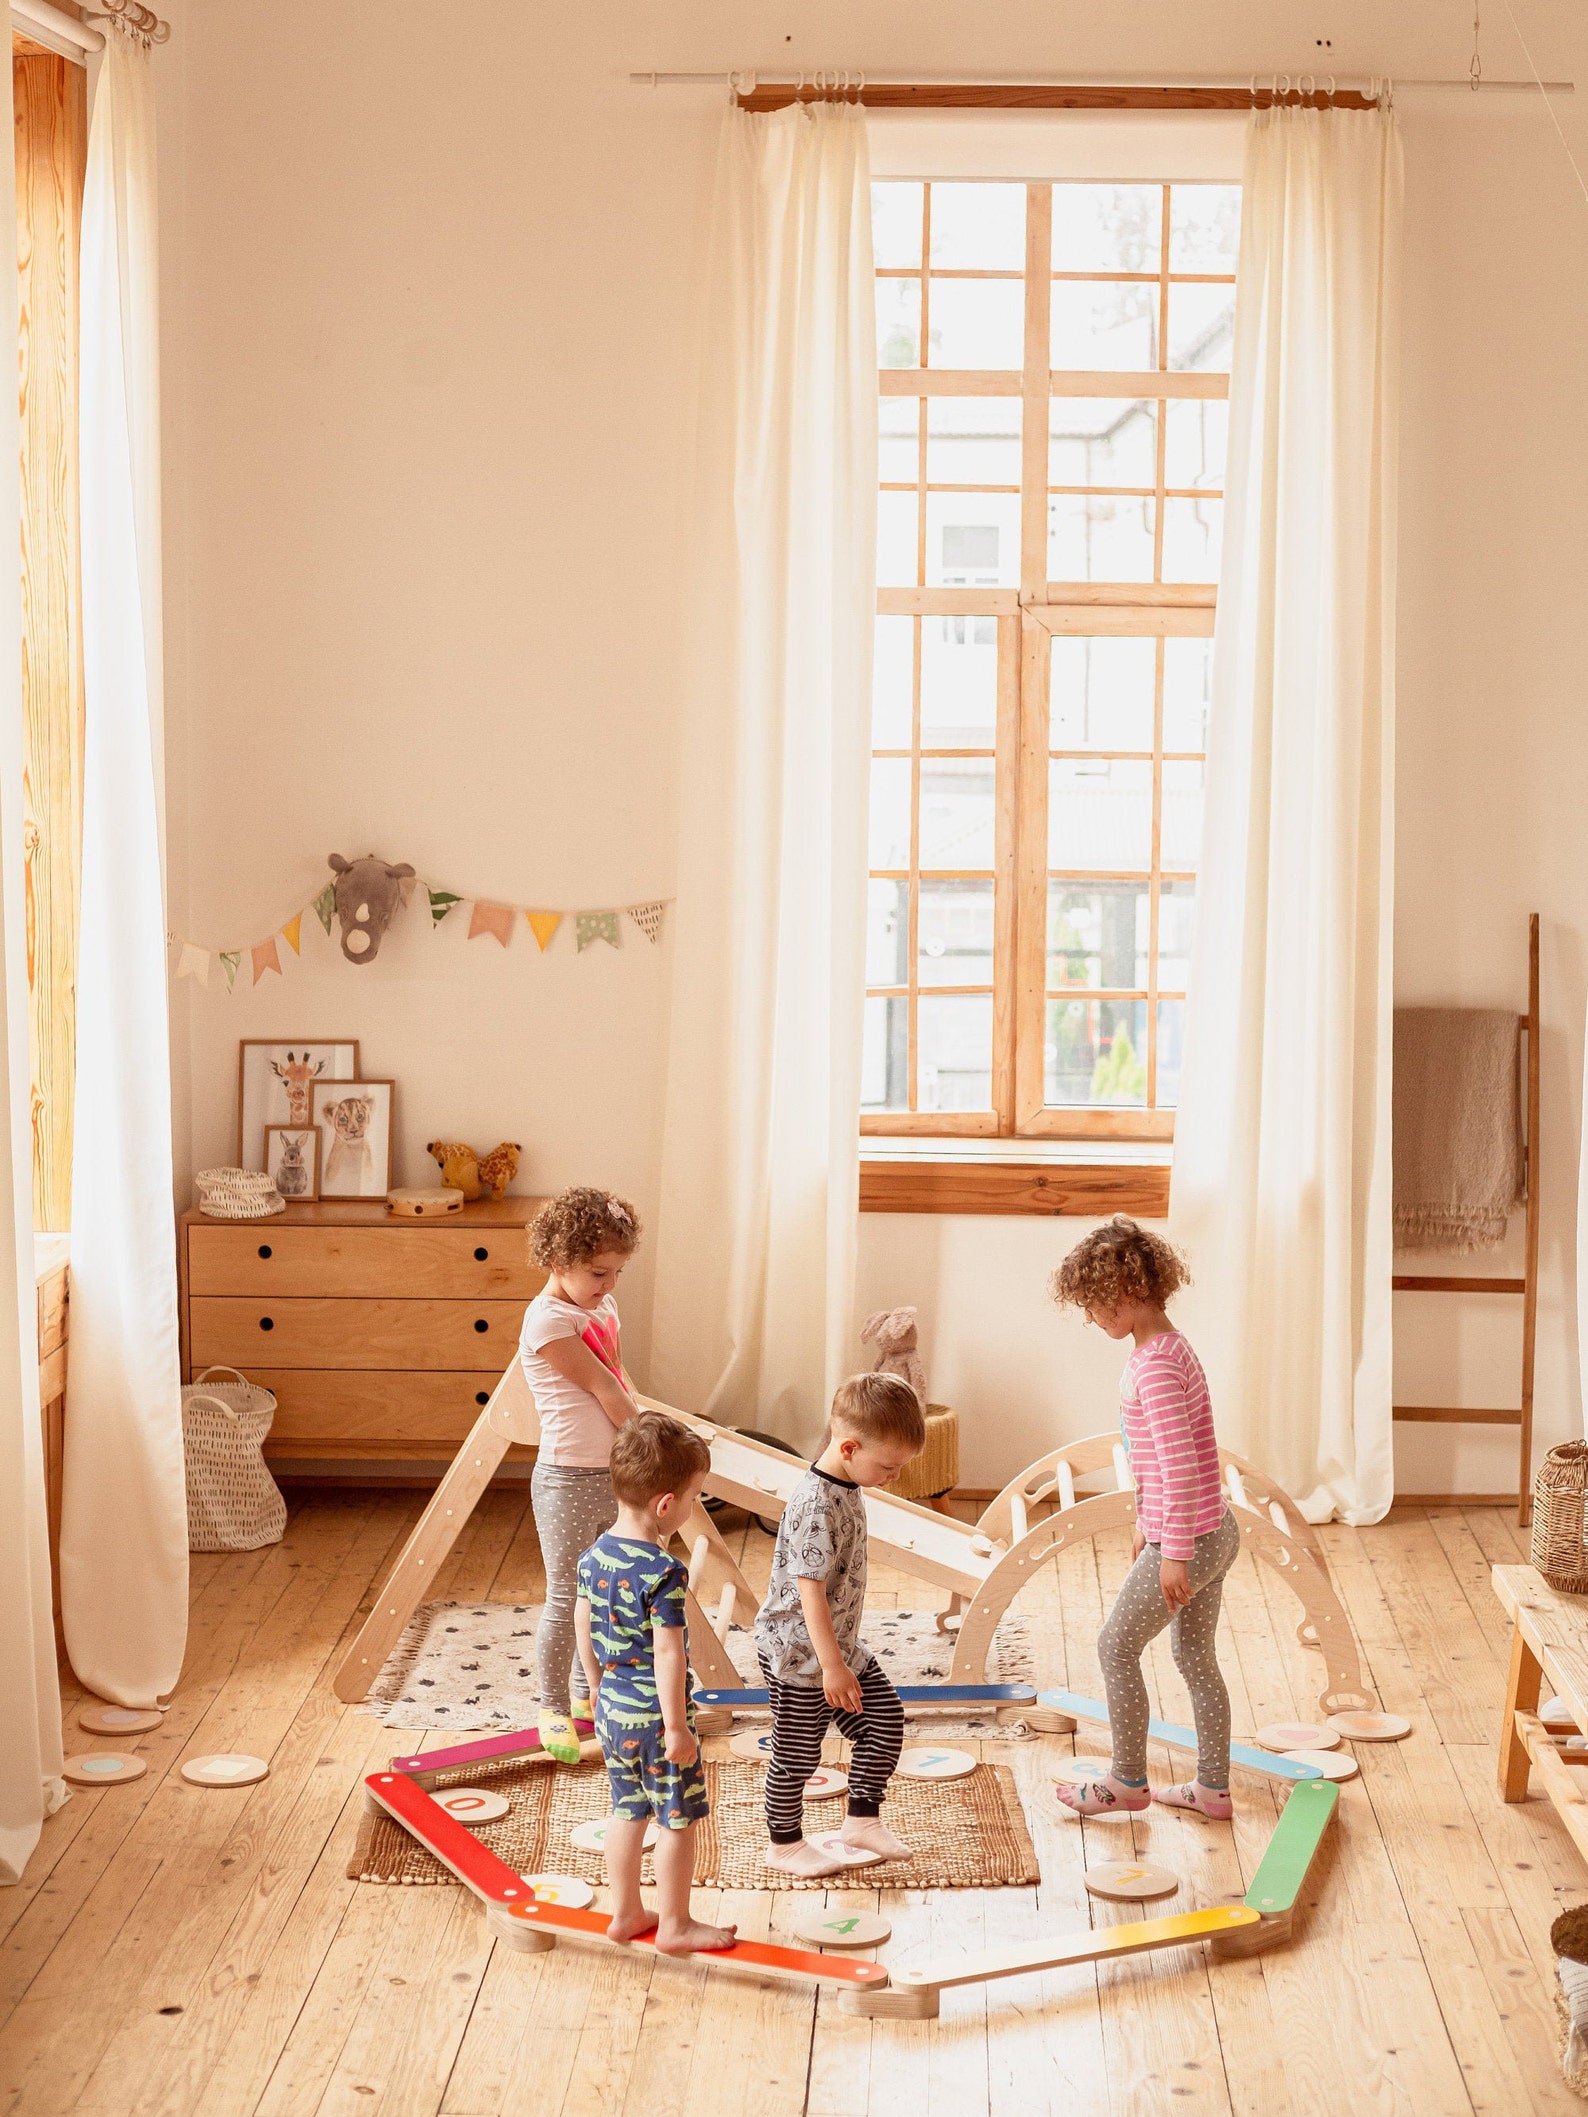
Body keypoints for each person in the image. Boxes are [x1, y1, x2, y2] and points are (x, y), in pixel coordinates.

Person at [1048, 1216, 1240, 1821]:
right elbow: (1155, 1458)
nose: (1091, 1317)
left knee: (1115, 1648)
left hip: (1190, 1540)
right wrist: (1145, 1519)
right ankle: (1212, 1789)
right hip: (1216, 1529)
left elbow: (1180, 1467)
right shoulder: (1170, 1348)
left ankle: (1127, 1781)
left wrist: (1173, 1548)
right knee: (1195, 1658)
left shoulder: (1154, 1365)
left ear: (1129, 1292)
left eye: (1095, 1305)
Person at [574, 1411, 736, 1955]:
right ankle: (675, 1924)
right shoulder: (663, 1570)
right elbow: (670, 1650)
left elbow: (582, 1621)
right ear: (666, 1505)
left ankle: (625, 1915)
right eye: (695, 1496)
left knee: (626, 1810)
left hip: (613, 1707)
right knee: (675, 1820)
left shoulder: (594, 1555)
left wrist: (595, 1686)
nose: (693, 1507)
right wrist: (676, 1728)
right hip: (655, 1717)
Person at [753, 1373, 925, 1877]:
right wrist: (832, 1666)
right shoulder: (815, 1504)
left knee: (883, 1722)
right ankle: (783, 1844)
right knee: (798, 1755)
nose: (894, 1476)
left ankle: (862, 1820)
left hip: (835, 1646)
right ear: (849, 1447)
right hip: (800, 1654)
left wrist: (840, 1656)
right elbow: (808, 1593)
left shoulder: (847, 1484)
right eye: (888, 1466)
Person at [520, 1186, 642, 1762]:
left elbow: (621, 1376)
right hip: (567, 1478)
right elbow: (602, 1387)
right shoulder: (547, 1320)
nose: (608, 1285)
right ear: (557, 1260)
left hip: (611, 1474)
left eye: (616, 1272)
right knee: (565, 1595)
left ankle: (583, 1692)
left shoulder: (602, 1308)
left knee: (602, 1594)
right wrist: (648, 1439)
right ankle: (551, 1705)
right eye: (597, 1272)